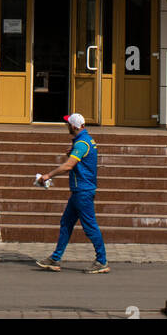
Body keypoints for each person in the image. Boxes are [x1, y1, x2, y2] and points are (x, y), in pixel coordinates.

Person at [35, 113, 109, 273]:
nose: (66, 126)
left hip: (83, 192)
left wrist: (48, 175)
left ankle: (101, 261)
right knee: (66, 223)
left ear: (74, 127)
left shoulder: (82, 144)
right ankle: (55, 258)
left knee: (90, 227)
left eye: (68, 124)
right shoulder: (85, 141)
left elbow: (68, 166)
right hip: (79, 191)